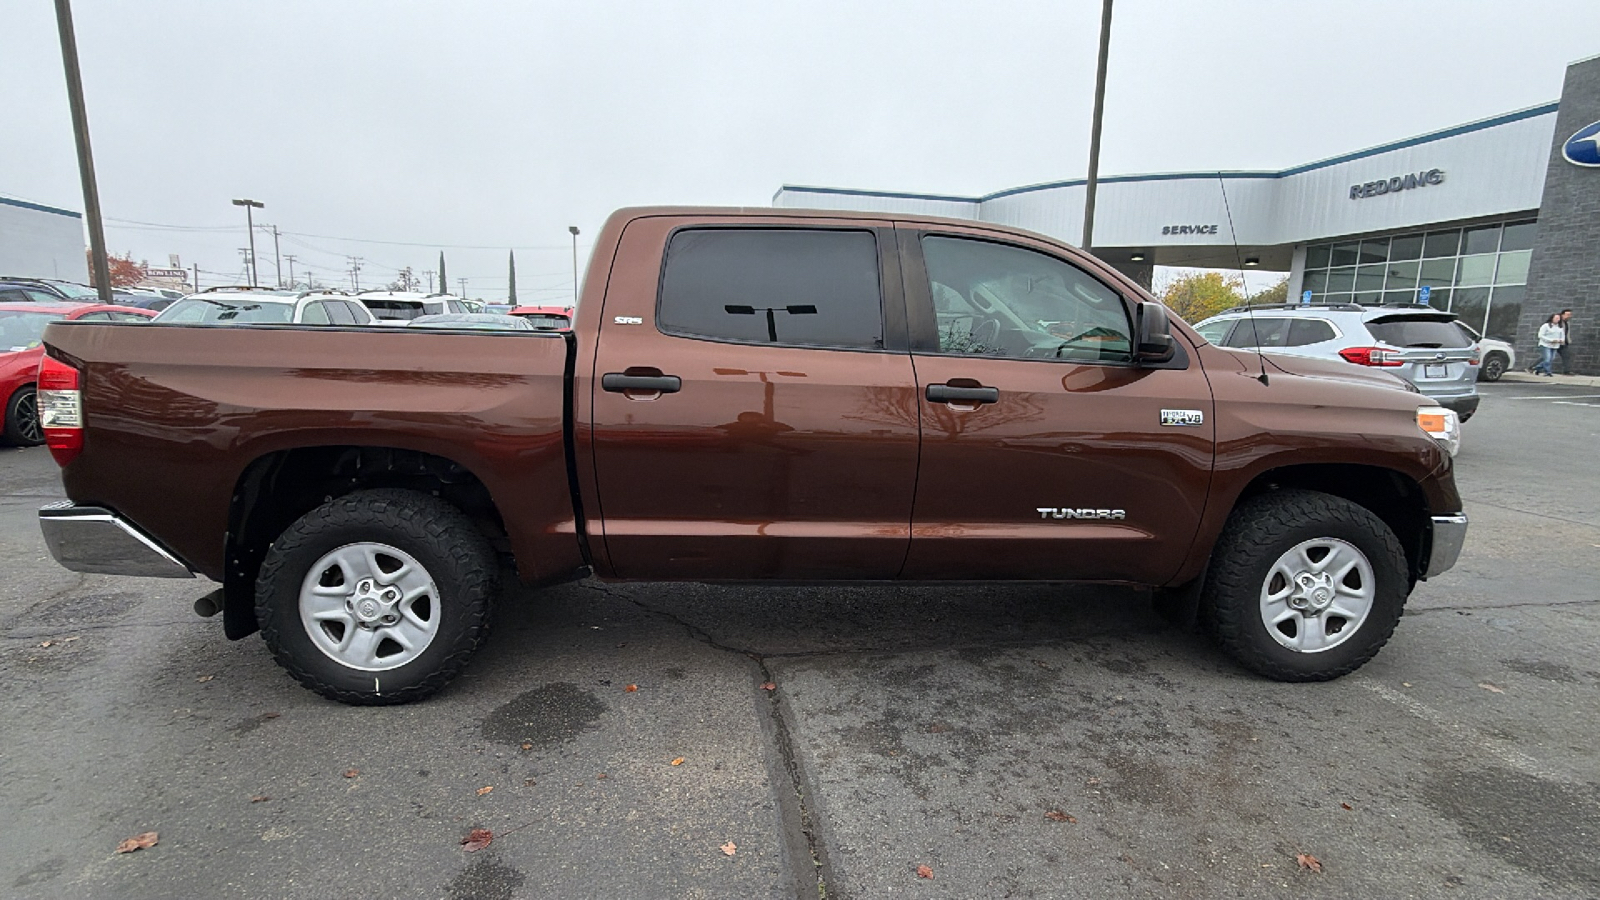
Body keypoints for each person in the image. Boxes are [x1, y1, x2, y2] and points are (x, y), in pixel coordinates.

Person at [1557, 308, 1574, 374]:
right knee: (1548, 357)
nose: (1569, 316)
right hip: (1557, 342)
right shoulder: (1558, 322)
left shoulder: (1567, 323)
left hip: (1564, 343)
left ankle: (1567, 371)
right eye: (1567, 314)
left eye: (1570, 315)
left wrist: (1568, 340)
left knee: (1566, 356)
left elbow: (1567, 332)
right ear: (1562, 315)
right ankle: (1532, 367)